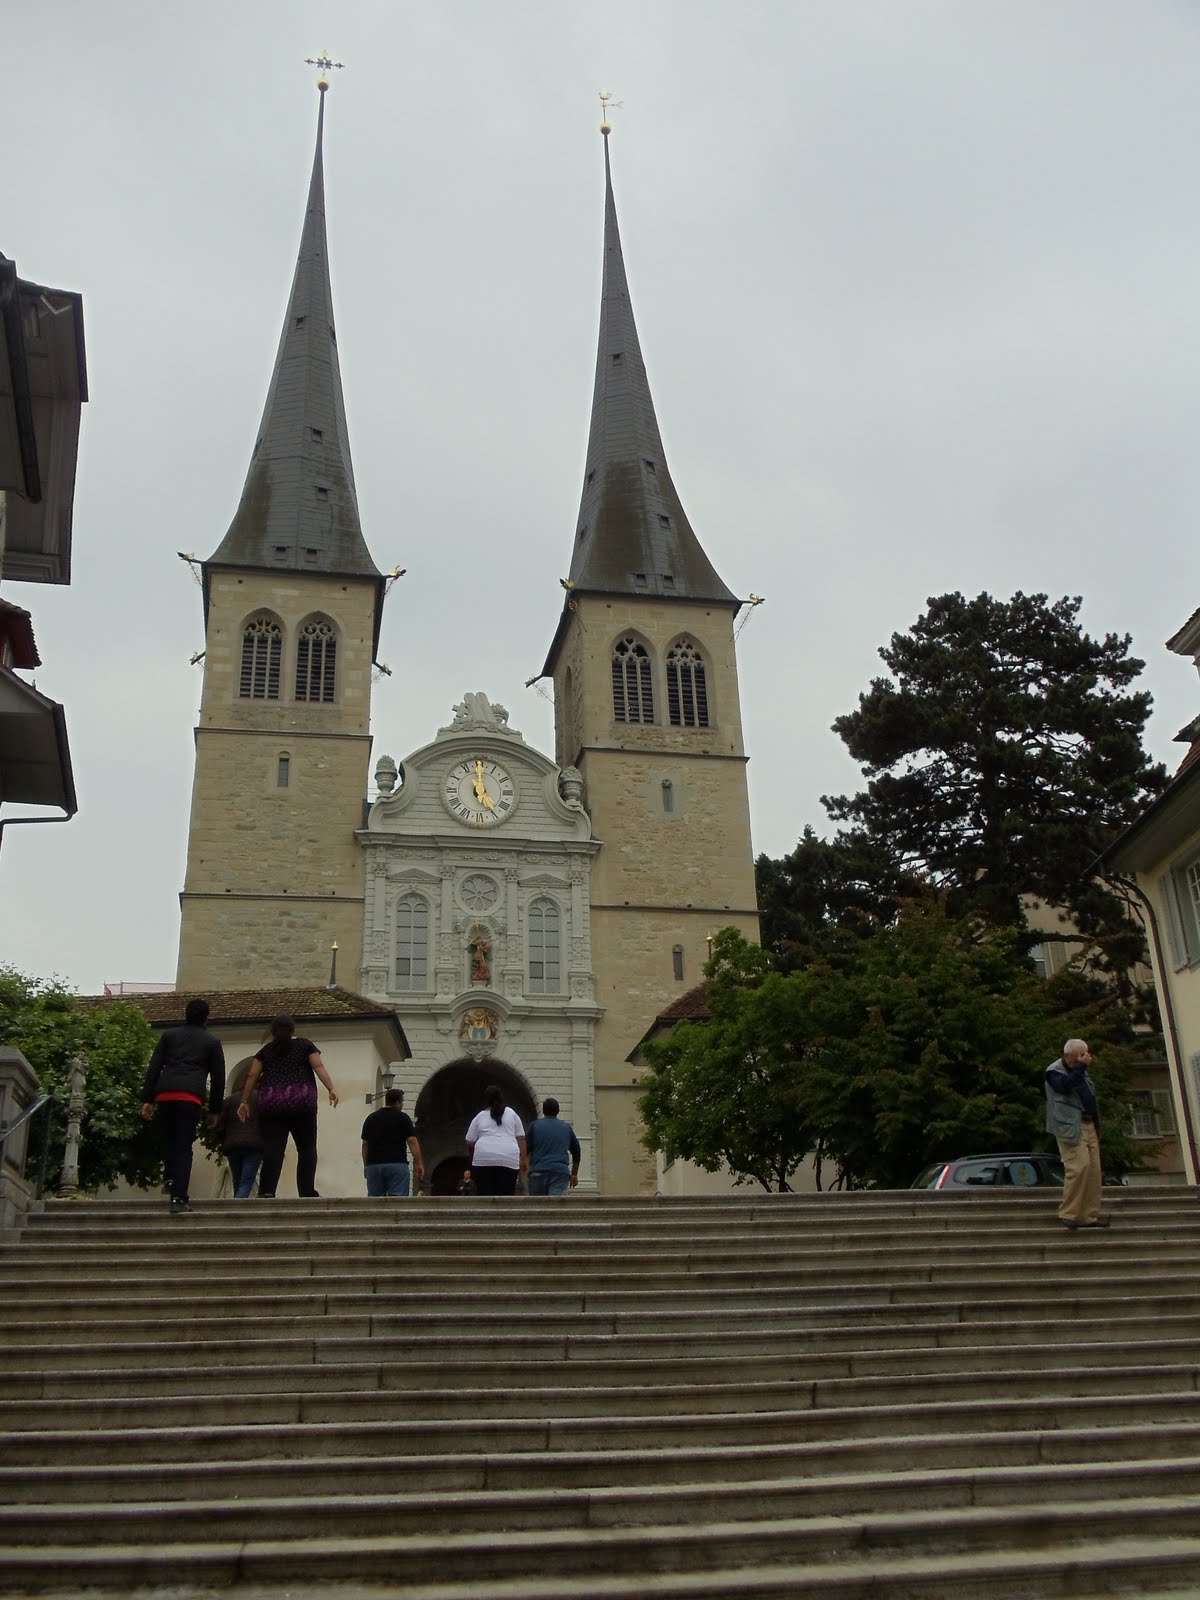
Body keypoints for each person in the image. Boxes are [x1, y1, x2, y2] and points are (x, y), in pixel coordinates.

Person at [140, 998, 225, 1215]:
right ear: (207, 1017)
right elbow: (218, 1078)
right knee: (183, 1146)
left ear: (185, 1014)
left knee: (168, 1140)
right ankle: (178, 1198)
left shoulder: (169, 1036)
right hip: (190, 1096)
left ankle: (169, 1177)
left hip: (165, 1093)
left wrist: (147, 1099)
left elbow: (154, 1067)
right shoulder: (212, 1042)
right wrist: (215, 1110)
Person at [237, 1016, 339, 1198]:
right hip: (302, 1101)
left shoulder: (265, 1051)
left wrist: (244, 1101)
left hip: (271, 1103)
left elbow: (252, 1075)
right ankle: (307, 1190)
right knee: (307, 1148)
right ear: (293, 1029)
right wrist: (331, 1088)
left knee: (273, 1149)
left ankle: (267, 1190)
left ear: (273, 1031)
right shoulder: (306, 1045)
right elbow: (318, 1066)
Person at [1045, 1038, 1110, 1230]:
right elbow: (1065, 1086)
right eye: (1076, 1058)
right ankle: (1069, 1213)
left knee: (1093, 1171)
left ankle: (1089, 1216)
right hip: (1070, 1127)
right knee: (1079, 1167)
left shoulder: (1081, 1070)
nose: (1079, 1062)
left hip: (1089, 1124)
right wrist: (1080, 1067)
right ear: (1067, 1055)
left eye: (1082, 1058)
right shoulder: (1054, 1071)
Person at [464, 1084, 527, 1196]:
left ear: (486, 1100)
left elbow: (469, 1141)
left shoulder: (480, 1116)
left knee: (485, 1196)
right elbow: (521, 1138)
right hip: (509, 1159)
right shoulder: (511, 1113)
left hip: (483, 1160)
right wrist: (523, 1160)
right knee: (506, 1197)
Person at [361, 1088, 424, 1197]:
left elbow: (365, 1145)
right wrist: (419, 1163)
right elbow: (412, 1141)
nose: (402, 1104)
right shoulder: (403, 1118)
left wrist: (366, 1166)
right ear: (397, 1102)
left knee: (375, 1203)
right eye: (402, 1101)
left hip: (374, 1166)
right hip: (397, 1165)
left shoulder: (371, 1119)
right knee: (397, 1202)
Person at [214, 1087, 263, 1198]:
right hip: (254, 1146)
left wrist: (225, 1142)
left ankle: (236, 1206)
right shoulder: (261, 1099)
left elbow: (220, 1126)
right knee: (246, 1182)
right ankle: (236, 1209)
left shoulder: (229, 1100)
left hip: (233, 1146)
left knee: (237, 1180)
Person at [525, 1097, 581, 1196]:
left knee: (537, 1207)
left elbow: (525, 1150)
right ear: (558, 1111)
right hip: (559, 1172)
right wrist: (574, 1174)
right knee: (555, 1207)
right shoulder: (566, 1127)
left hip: (538, 1171)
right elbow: (576, 1151)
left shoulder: (534, 1126)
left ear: (543, 1111)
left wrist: (524, 1170)